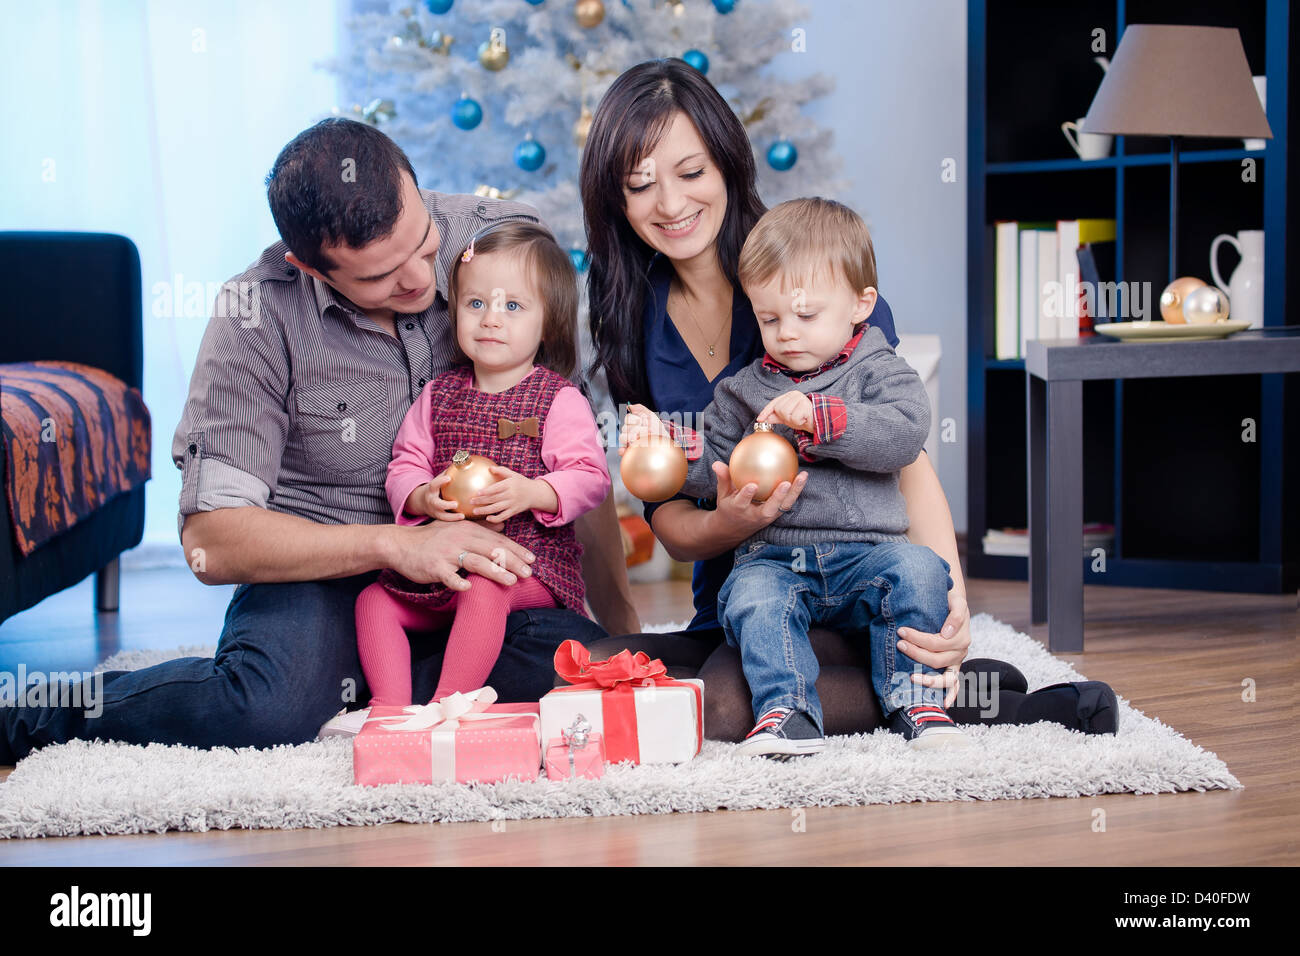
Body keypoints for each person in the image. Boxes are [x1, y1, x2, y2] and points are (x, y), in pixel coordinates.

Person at [0, 119, 633, 764]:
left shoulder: (502, 244)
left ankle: (370, 693)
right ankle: (33, 714)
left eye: (424, 243)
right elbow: (211, 543)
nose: (421, 279)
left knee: (571, 668)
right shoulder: (255, 312)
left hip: (490, 568)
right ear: (308, 266)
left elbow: (570, 439)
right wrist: (393, 542)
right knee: (263, 705)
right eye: (382, 276)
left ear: (414, 183)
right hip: (329, 567)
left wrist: (623, 629)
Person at [579, 58, 1117, 742]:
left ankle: (992, 700)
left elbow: (904, 455)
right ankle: (955, 692)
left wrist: (952, 610)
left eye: (691, 173)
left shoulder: (817, 283)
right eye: (640, 184)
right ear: (615, 198)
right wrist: (733, 522)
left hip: (862, 585)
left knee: (720, 708)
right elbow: (673, 517)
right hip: (751, 595)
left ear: (727, 164)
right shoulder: (631, 318)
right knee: (600, 667)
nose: (671, 203)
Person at [623, 198, 968, 754]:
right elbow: (712, 469)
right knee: (754, 596)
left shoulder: (879, 370)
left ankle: (916, 701)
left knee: (920, 570)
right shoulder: (743, 390)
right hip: (777, 559)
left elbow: (904, 434)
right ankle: (787, 710)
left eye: (806, 316)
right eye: (769, 318)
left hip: (869, 553)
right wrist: (667, 444)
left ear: (861, 304)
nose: (787, 334)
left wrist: (821, 420)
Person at [355, 222, 610, 709]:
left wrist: (534, 492)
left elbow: (589, 477)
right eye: (476, 304)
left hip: (529, 571)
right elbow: (404, 463)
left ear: (549, 322)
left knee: (486, 587)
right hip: (442, 564)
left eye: (512, 306)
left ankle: (450, 704)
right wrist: (421, 495)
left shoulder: (557, 399)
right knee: (373, 601)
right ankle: (389, 708)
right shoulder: (438, 395)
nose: (491, 319)